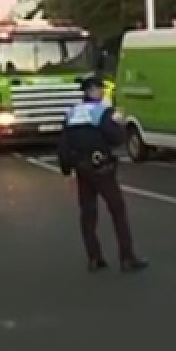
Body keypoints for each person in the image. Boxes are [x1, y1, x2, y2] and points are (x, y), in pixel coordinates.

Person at [57, 76, 148, 273]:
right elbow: (116, 139)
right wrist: (120, 125)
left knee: (88, 214)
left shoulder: (72, 113)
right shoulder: (102, 112)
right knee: (118, 210)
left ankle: (94, 258)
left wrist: (66, 169)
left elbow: (63, 144)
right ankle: (127, 257)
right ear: (91, 91)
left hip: (82, 169)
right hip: (102, 168)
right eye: (100, 89)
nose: (102, 92)